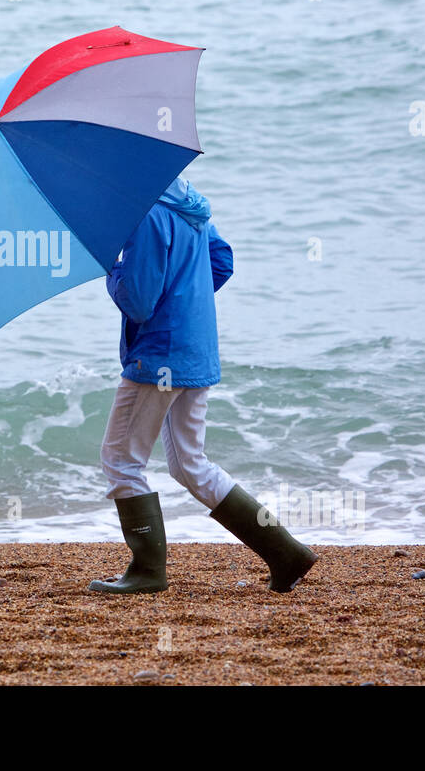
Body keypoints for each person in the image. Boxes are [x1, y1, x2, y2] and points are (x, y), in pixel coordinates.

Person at [88, 176, 317, 594]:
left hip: (159, 356)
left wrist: (112, 267)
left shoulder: (146, 214)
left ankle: (147, 570)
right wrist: (185, 300)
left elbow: (138, 301)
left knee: (121, 459)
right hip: (196, 350)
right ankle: (285, 552)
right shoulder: (188, 203)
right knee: (189, 463)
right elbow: (221, 261)